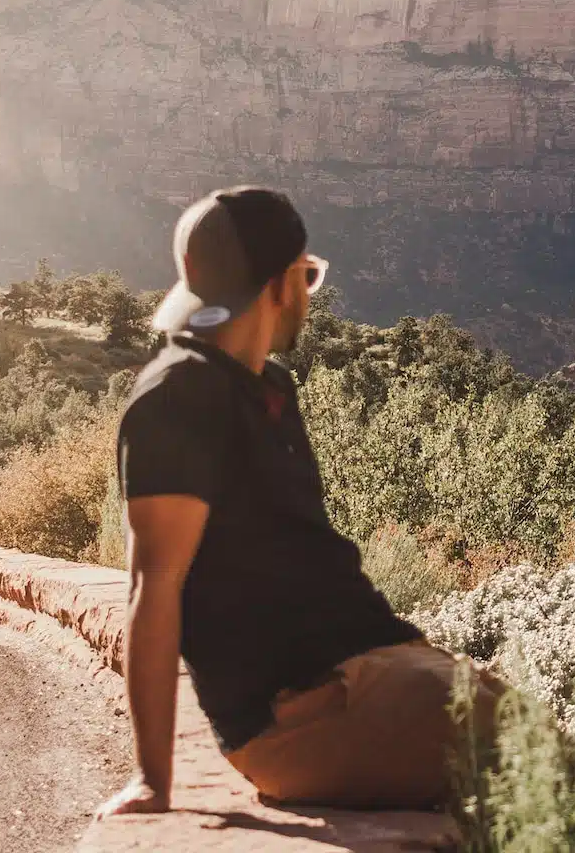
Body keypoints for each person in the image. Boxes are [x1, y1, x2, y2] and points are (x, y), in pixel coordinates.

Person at [95, 186, 501, 818]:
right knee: (550, 774)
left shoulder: (268, 389)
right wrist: (154, 781)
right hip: (299, 712)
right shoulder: (178, 398)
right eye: (307, 276)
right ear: (280, 286)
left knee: (552, 755)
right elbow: (153, 588)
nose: (311, 293)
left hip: (362, 669)